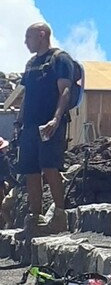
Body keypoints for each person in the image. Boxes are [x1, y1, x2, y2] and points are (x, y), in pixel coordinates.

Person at [14, 23, 74, 233]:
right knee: (30, 170)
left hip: (49, 123)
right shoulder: (31, 63)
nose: (25, 42)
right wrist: (19, 122)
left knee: (50, 166)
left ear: (41, 35)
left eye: (28, 37)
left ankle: (59, 214)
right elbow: (26, 95)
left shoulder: (60, 59)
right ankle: (35, 216)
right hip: (30, 125)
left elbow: (65, 91)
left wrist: (56, 119)